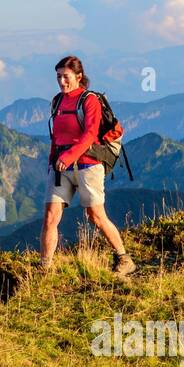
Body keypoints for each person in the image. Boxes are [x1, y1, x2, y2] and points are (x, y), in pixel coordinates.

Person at [39, 56, 136, 277]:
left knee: (95, 216)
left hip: (87, 165)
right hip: (60, 167)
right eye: (58, 77)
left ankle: (124, 258)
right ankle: (44, 269)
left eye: (66, 77)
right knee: (50, 216)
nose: (61, 81)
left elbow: (90, 134)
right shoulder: (57, 101)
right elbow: (56, 136)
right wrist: (51, 162)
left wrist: (70, 155)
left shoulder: (89, 100)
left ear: (79, 77)